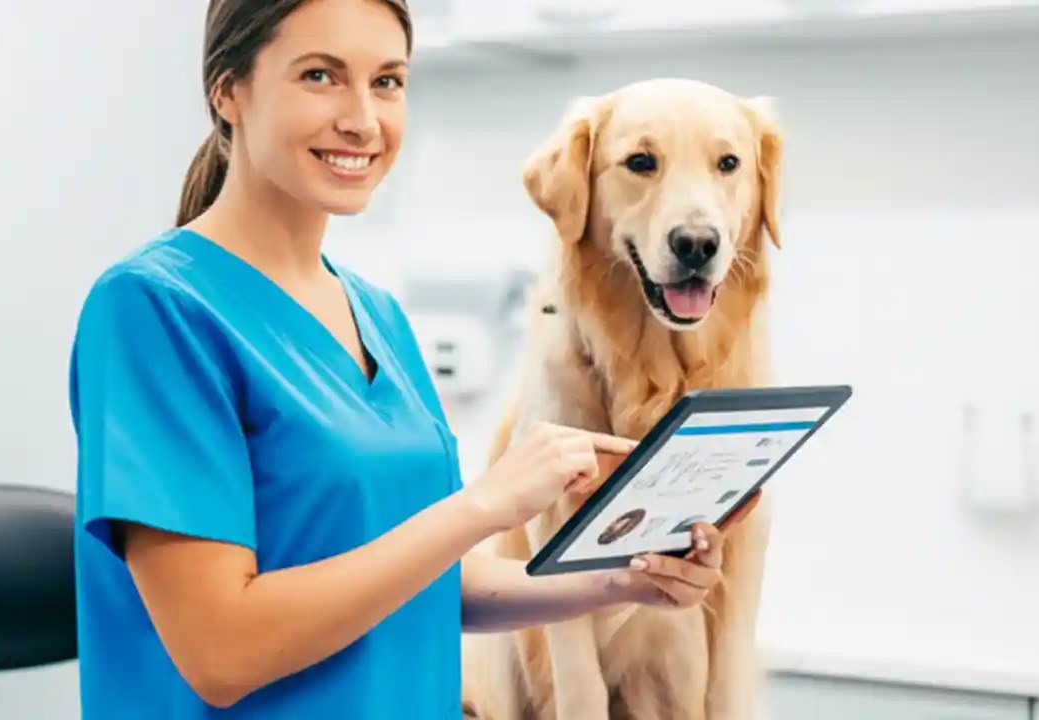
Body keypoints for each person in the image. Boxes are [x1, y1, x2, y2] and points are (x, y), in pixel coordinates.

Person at [67, 0, 756, 717]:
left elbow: (426, 575)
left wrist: (625, 580)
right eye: (320, 76)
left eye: (388, 81)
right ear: (227, 90)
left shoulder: (377, 316)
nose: (363, 119)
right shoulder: (153, 308)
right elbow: (222, 651)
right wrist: (482, 506)